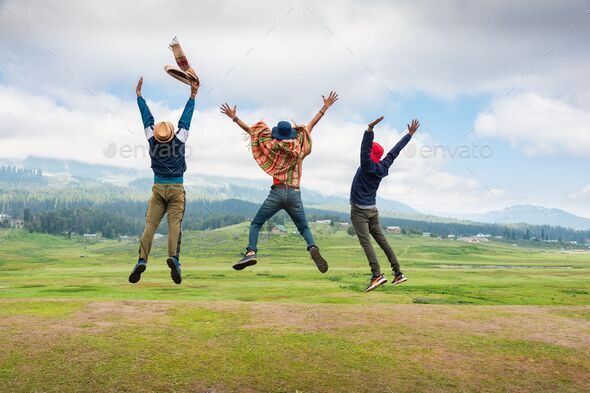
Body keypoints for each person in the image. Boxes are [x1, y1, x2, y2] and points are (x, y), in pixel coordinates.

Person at [220, 92, 339, 273]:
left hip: (276, 193)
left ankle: (251, 252)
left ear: (277, 134)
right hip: (294, 193)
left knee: (256, 224)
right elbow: (311, 124)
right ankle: (312, 246)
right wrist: (325, 107)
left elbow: (252, 131)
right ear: (291, 134)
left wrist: (234, 118)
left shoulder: (271, 146)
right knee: (303, 227)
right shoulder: (299, 146)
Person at [128, 76, 199, 285]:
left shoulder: (151, 138)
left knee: (150, 226)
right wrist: (193, 95)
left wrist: (139, 97)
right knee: (174, 226)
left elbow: (146, 118)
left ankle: (141, 260)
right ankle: (174, 259)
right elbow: (187, 118)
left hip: (157, 189)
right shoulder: (180, 138)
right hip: (177, 189)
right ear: (171, 133)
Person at [349, 116, 420, 292]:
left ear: (370, 154)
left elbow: (364, 150)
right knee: (382, 242)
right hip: (373, 210)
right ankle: (398, 273)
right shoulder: (383, 166)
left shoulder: (366, 165)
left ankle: (377, 275)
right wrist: (408, 135)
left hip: (359, 211)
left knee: (366, 242)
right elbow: (394, 152)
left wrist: (369, 130)